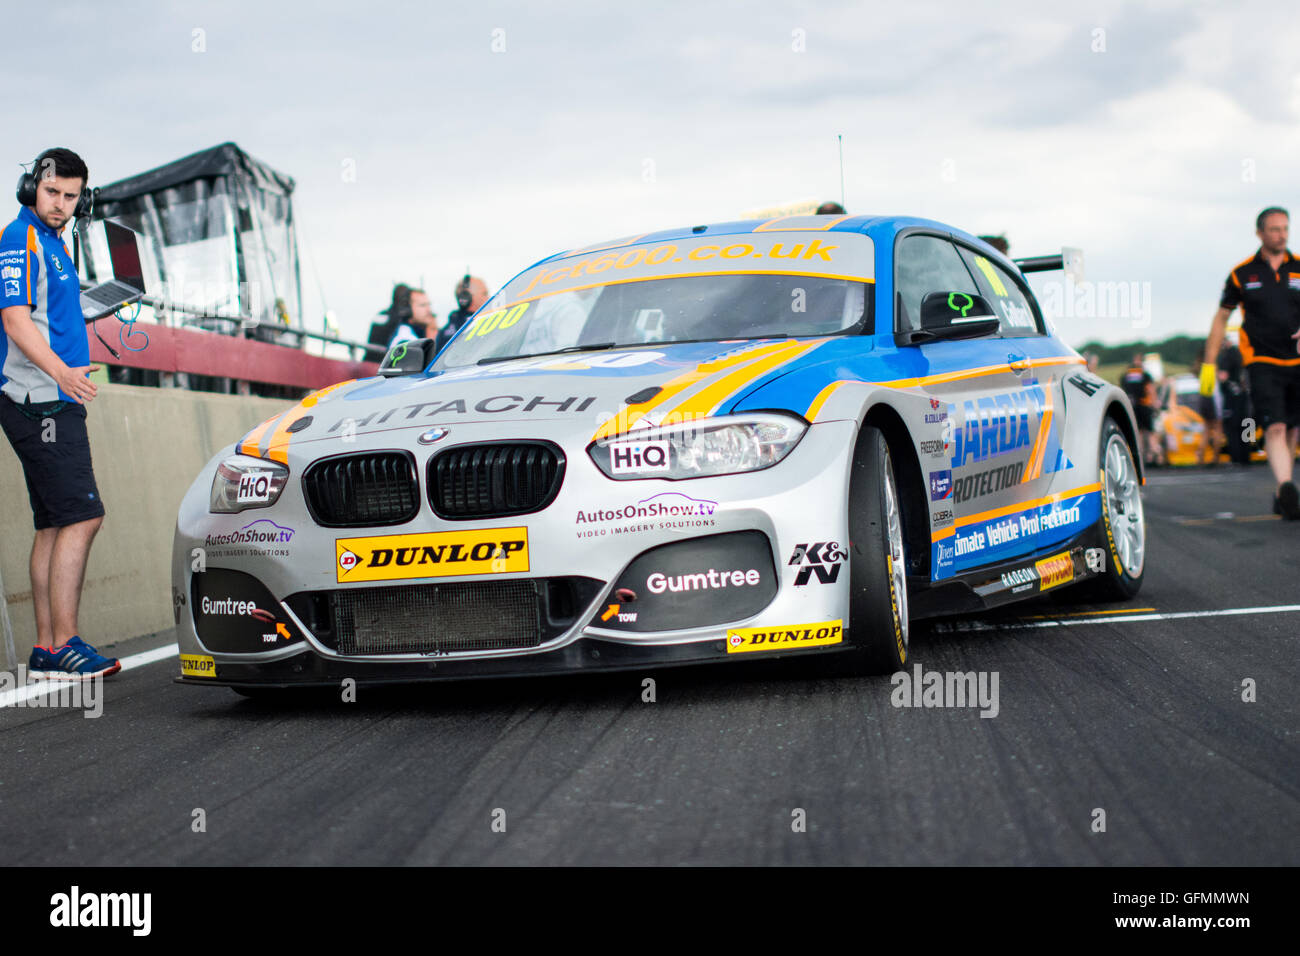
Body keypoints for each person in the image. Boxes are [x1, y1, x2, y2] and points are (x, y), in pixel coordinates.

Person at [0, 147, 119, 679]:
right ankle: (62, 643)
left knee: (53, 523)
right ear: (32, 188)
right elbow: (15, 320)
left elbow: (48, 312)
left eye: (72, 197)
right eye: (52, 192)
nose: (61, 204)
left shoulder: (54, 242)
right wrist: (63, 373)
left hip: (50, 395)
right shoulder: (19, 238)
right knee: (82, 516)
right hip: (40, 399)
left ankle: (49, 647)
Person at [1202, 206, 1300, 518]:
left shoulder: (1299, 267)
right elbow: (1221, 319)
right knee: (1275, 425)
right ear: (1260, 233)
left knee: (1292, 429)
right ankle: (1287, 486)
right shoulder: (1242, 274)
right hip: (1260, 360)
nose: (1281, 234)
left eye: (1285, 228)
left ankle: (1281, 492)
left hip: (1296, 361)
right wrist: (1208, 364)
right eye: (1274, 229)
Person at [1121, 352, 1159, 466]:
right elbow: (1150, 389)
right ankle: (1151, 456)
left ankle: (1141, 457)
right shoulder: (1144, 375)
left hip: (1132, 406)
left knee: (1140, 432)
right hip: (1143, 405)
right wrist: (1154, 403)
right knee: (1149, 432)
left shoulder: (1126, 376)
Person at [434, 274, 488, 352]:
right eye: (485, 293)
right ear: (466, 297)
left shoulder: (447, 329)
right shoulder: (475, 325)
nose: (489, 297)